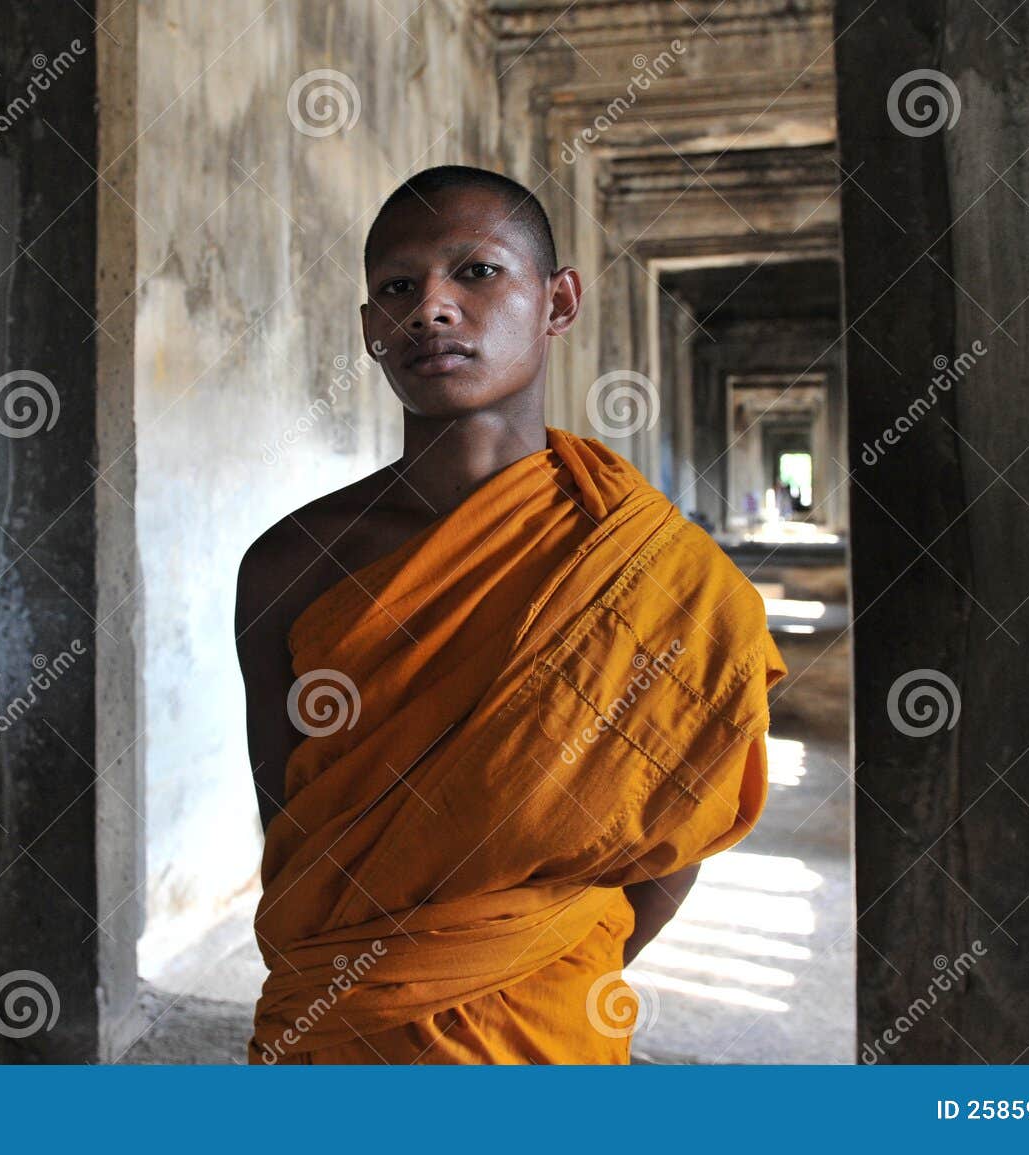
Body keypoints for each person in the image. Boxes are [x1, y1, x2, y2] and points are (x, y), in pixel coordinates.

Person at [234, 164, 786, 1064]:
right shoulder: (292, 563)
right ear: (373, 328)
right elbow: (297, 825)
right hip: (338, 1023)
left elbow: (668, 841)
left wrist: (516, 961)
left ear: (558, 301)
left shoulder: (658, 573)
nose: (432, 309)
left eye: (476, 272)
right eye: (398, 289)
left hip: (547, 1024)